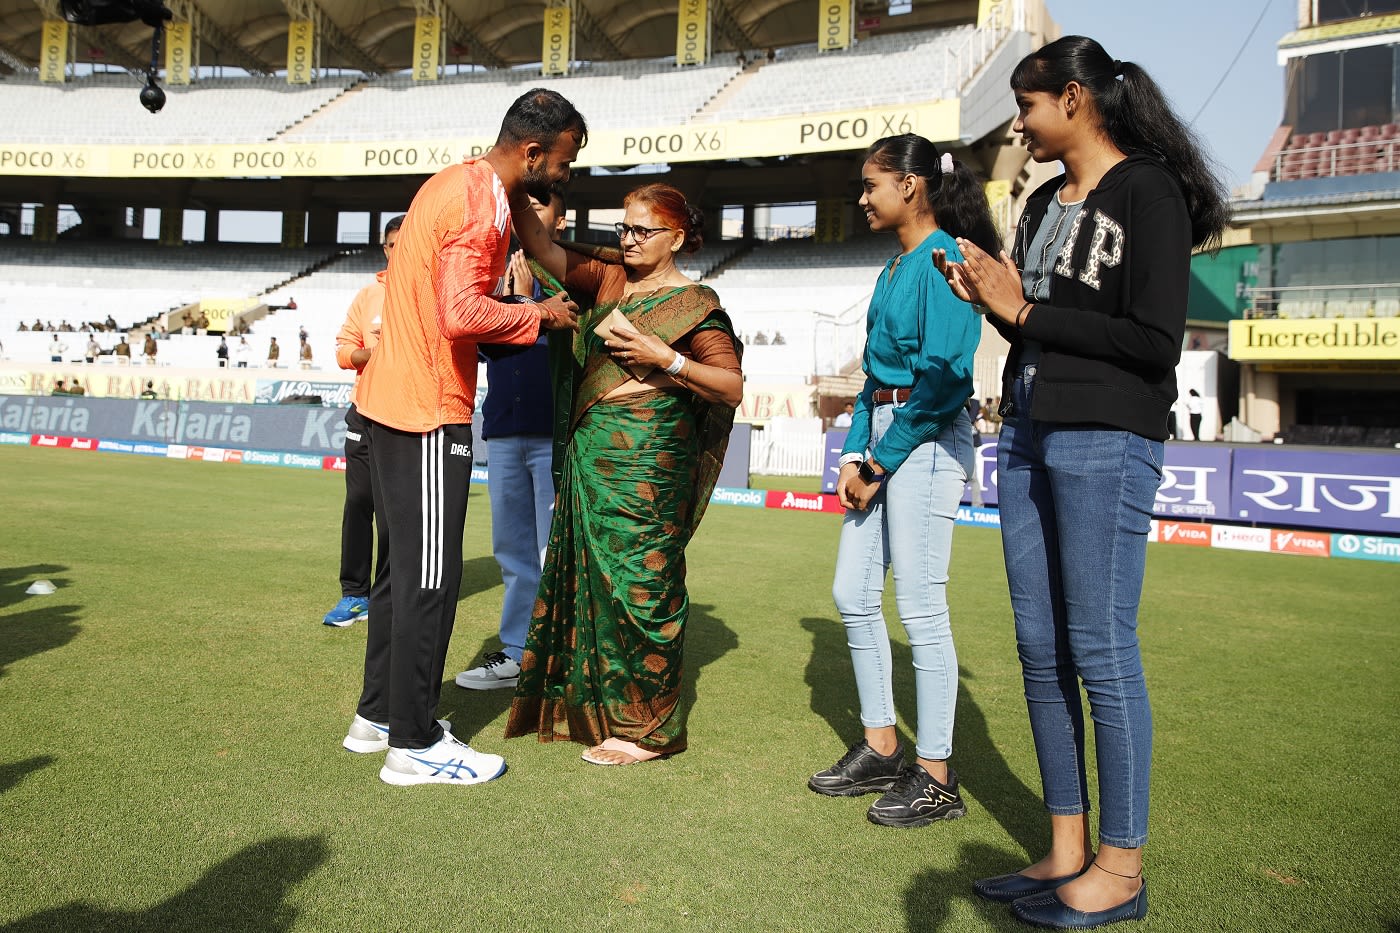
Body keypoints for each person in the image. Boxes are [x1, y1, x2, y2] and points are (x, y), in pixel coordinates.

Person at [937, 35, 1230, 928]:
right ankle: (1067, 847)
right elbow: (1039, 324)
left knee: (1100, 650)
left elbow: (1153, 340)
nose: (1019, 128)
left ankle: (1123, 864)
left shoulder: (1147, 191)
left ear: (1073, 98)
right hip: (1028, 430)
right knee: (1040, 651)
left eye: (1027, 108)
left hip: (1108, 437)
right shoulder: (1039, 204)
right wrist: (992, 296)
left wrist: (1024, 307)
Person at [343, 88, 585, 787]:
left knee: (397, 575)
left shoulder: (459, 181)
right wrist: (537, 315)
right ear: (533, 151)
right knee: (431, 578)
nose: (566, 175)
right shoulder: (480, 203)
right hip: (426, 407)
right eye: (565, 162)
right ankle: (414, 742)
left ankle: (378, 716)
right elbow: (457, 312)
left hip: (393, 400)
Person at [503, 182, 743, 766]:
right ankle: (593, 712)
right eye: (624, 229)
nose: (629, 241)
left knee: (644, 587)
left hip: (652, 461)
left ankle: (647, 729)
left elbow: (731, 386)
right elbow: (536, 240)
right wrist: (507, 183)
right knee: (592, 581)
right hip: (593, 456)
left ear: (678, 238)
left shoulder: (697, 303)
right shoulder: (610, 280)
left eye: (643, 231)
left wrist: (669, 361)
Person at [808, 135, 996, 828]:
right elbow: (872, 380)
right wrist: (854, 457)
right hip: (886, 441)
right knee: (851, 592)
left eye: (871, 185)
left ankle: (938, 776)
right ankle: (884, 745)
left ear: (912, 186)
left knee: (920, 607)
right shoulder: (893, 270)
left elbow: (945, 382)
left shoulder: (945, 261)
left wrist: (883, 461)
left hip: (927, 440)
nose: (863, 197)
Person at [454, 187, 567, 691]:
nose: (529, 216)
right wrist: (509, 301)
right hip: (501, 431)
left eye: (541, 208)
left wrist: (527, 302)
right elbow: (476, 343)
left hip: (554, 433)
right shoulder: (492, 270)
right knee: (512, 551)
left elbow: (575, 334)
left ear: (560, 222)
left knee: (553, 550)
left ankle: (562, 653)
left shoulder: (575, 273)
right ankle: (520, 652)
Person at [323, 214, 403, 628]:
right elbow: (342, 350)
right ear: (384, 248)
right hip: (365, 410)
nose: (399, 250)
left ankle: (386, 595)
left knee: (394, 511)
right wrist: (371, 355)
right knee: (358, 502)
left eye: (406, 242)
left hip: (405, 414)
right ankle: (354, 594)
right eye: (392, 244)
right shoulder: (368, 294)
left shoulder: (427, 292)